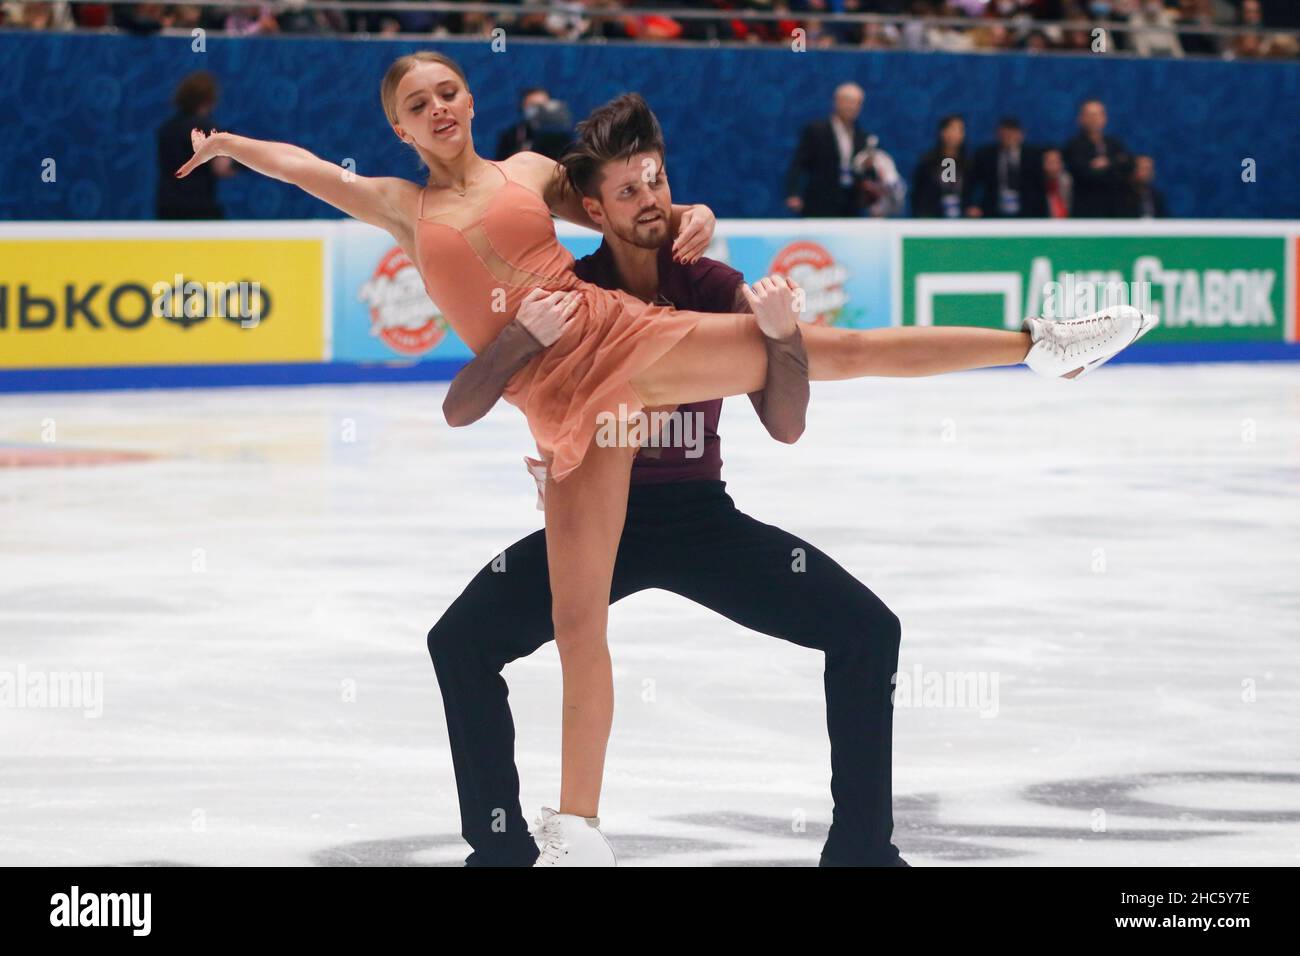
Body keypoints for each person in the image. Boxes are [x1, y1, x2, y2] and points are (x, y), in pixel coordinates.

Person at [175, 51, 1156, 866]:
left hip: (617, 337)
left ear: (468, 99)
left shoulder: (526, 170)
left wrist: (692, 219)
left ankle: (1039, 342)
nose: (435, 107)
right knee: (572, 618)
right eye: (412, 103)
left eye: (444, 89)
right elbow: (308, 168)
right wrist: (229, 143)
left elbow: (622, 196)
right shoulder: (400, 206)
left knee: (828, 350)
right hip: (554, 402)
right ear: (397, 127)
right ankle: (578, 827)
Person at [429, 93, 908, 868]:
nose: (650, 199)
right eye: (630, 189)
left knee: (866, 631)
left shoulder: (712, 283)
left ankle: (861, 853)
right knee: (458, 643)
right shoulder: (572, 298)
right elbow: (472, 403)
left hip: (698, 520)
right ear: (595, 209)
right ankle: (499, 850)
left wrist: (783, 341)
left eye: (658, 182)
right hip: (592, 527)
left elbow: (785, 424)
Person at [156, 71, 236, 220]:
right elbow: (221, 168)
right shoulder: (207, 129)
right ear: (209, 100)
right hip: (199, 207)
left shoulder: (166, 129)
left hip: (167, 206)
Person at [784, 83, 870, 218]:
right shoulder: (816, 131)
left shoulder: (862, 136)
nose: (852, 106)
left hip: (850, 203)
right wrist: (793, 193)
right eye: (849, 101)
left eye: (857, 102)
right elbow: (798, 164)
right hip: (820, 201)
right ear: (837, 102)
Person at [1062, 98, 1134, 218]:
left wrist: (1107, 163)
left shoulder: (1114, 144)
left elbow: (1129, 165)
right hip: (1087, 210)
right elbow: (1085, 174)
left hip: (1115, 209)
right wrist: (1114, 165)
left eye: (1098, 115)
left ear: (1104, 118)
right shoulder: (1074, 145)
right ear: (1080, 119)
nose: (1094, 119)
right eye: (1090, 115)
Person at [966, 117, 1047, 218]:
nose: (1008, 138)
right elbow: (972, 183)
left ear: (1021, 135)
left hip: (1027, 213)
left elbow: (1040, 187)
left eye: (1011, 134)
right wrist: (972, 205)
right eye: (1004, 135)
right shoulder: (985, 155)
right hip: (993, 212)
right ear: (998, 135)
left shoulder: (1033, 156)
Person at [911, 114, 972, 218]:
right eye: (952, 129)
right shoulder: (928, 161)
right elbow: (918, 193)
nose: (955, 134)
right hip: (933, 219)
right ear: (942, 132)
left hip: (962, 220)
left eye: (959, 130)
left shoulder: (969, 162)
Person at [1042, 147, 1073, 218]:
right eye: (1050, 162)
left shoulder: (1069, 181)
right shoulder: (1036, 184)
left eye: (1056, 162)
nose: (1053, 166)